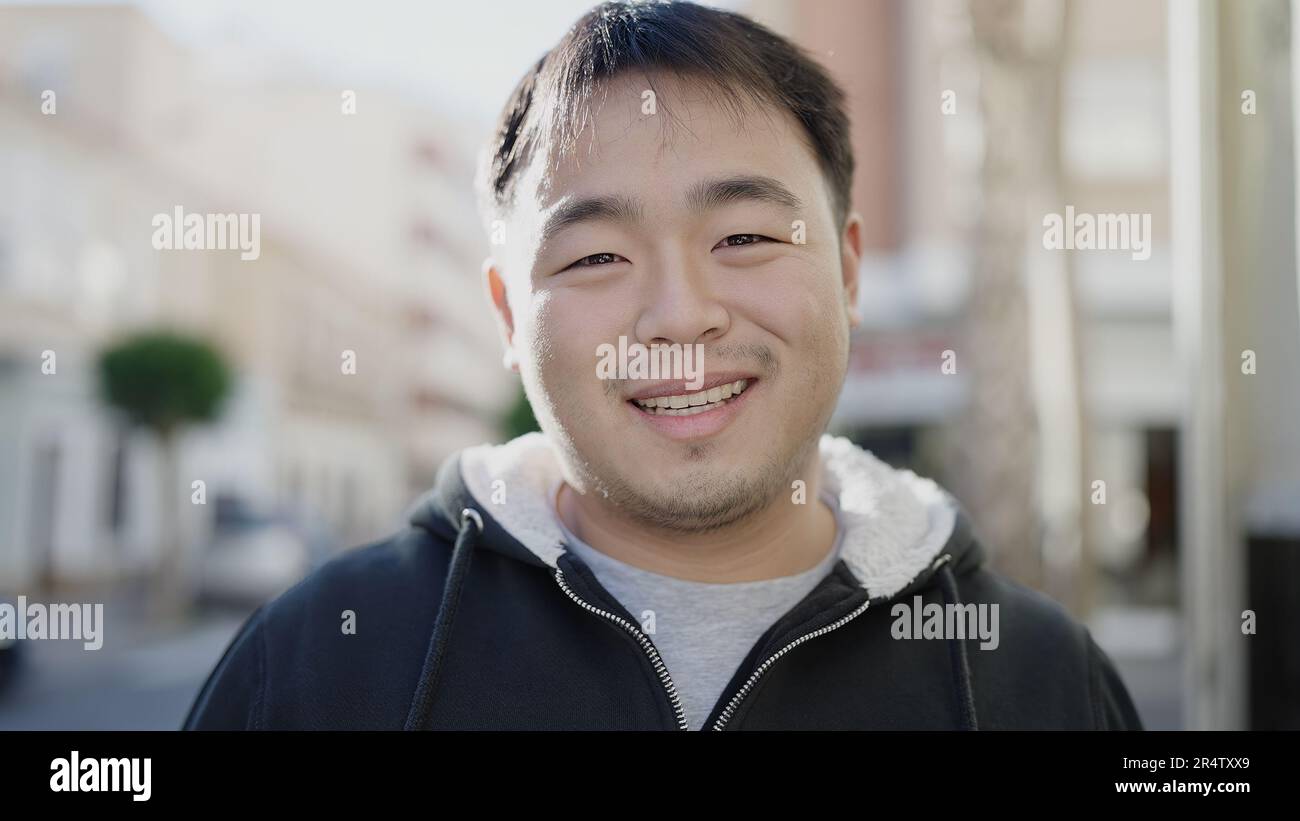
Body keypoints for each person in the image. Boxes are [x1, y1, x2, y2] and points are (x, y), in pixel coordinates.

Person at [184, 0, 1142, 731]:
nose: (680, 313)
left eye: (746, 235)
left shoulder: (1036, 680)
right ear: (509, 314)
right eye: (597, 256)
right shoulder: (316, 668)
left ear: (848, 271)